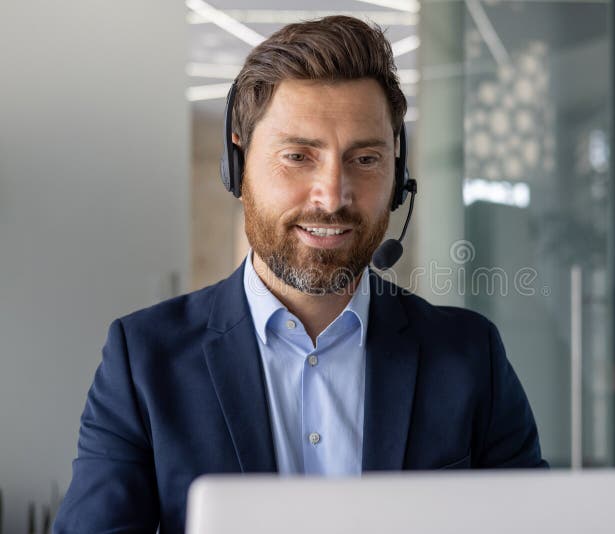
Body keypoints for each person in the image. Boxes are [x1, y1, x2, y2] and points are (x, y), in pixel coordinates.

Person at [54, 15, 547, 534]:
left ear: (399, 179)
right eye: (297, 156)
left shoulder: (471, 356)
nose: (333, 196)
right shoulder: (143, 359)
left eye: (365, 158)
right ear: (237, 165)